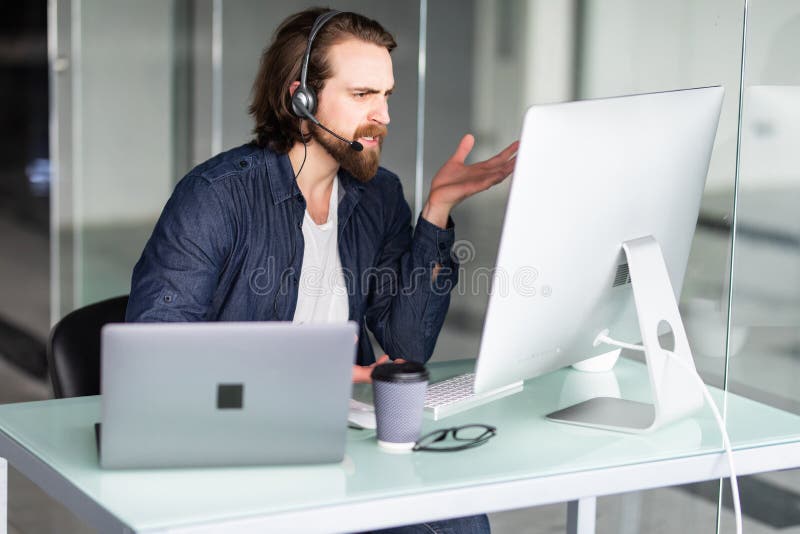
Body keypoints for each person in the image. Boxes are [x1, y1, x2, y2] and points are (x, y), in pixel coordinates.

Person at [126, 8, 516, 533]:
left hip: (338, 443)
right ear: (300, 100)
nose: (383, 116)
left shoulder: (377, 196)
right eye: (362, 96)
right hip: (238, 450)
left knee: (457, 518)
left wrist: (437, 211)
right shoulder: (216, 198)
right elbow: (155, 359)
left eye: (386, 95)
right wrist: (298, 377)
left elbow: (408, 345)